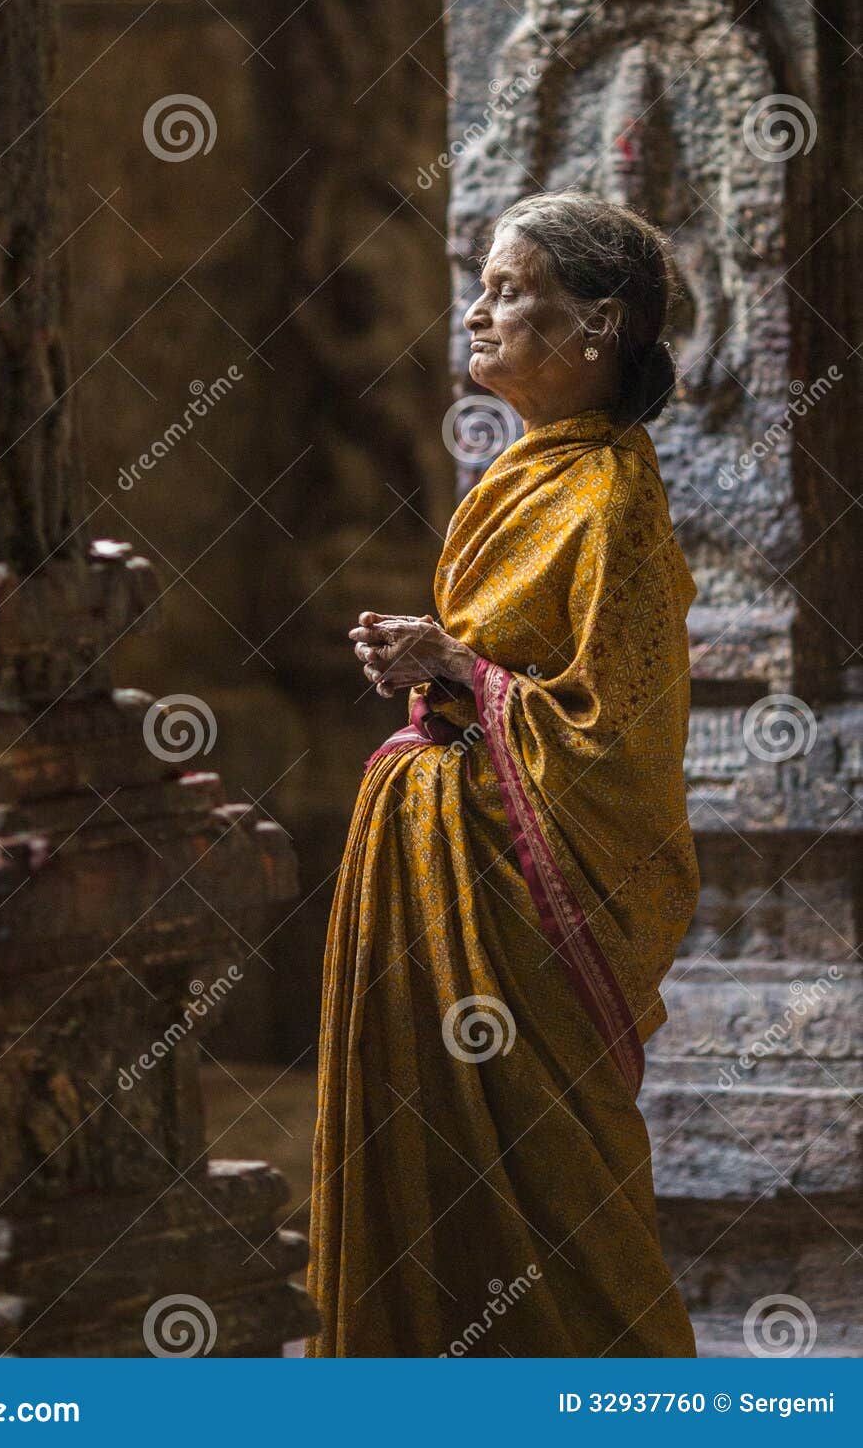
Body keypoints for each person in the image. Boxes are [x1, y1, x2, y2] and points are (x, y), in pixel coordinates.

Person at [306, 189, 700, 1357]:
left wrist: (455, 666)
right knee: (429, 1162)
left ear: (597, 326)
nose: (474, 313)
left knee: (553, 1181)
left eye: (509, 291)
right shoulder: (522, 474)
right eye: (479, 287)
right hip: (439, 862)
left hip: (519, 897)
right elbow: (509, 664)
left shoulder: (609, 498)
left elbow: (615, 734)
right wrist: (435, 664)